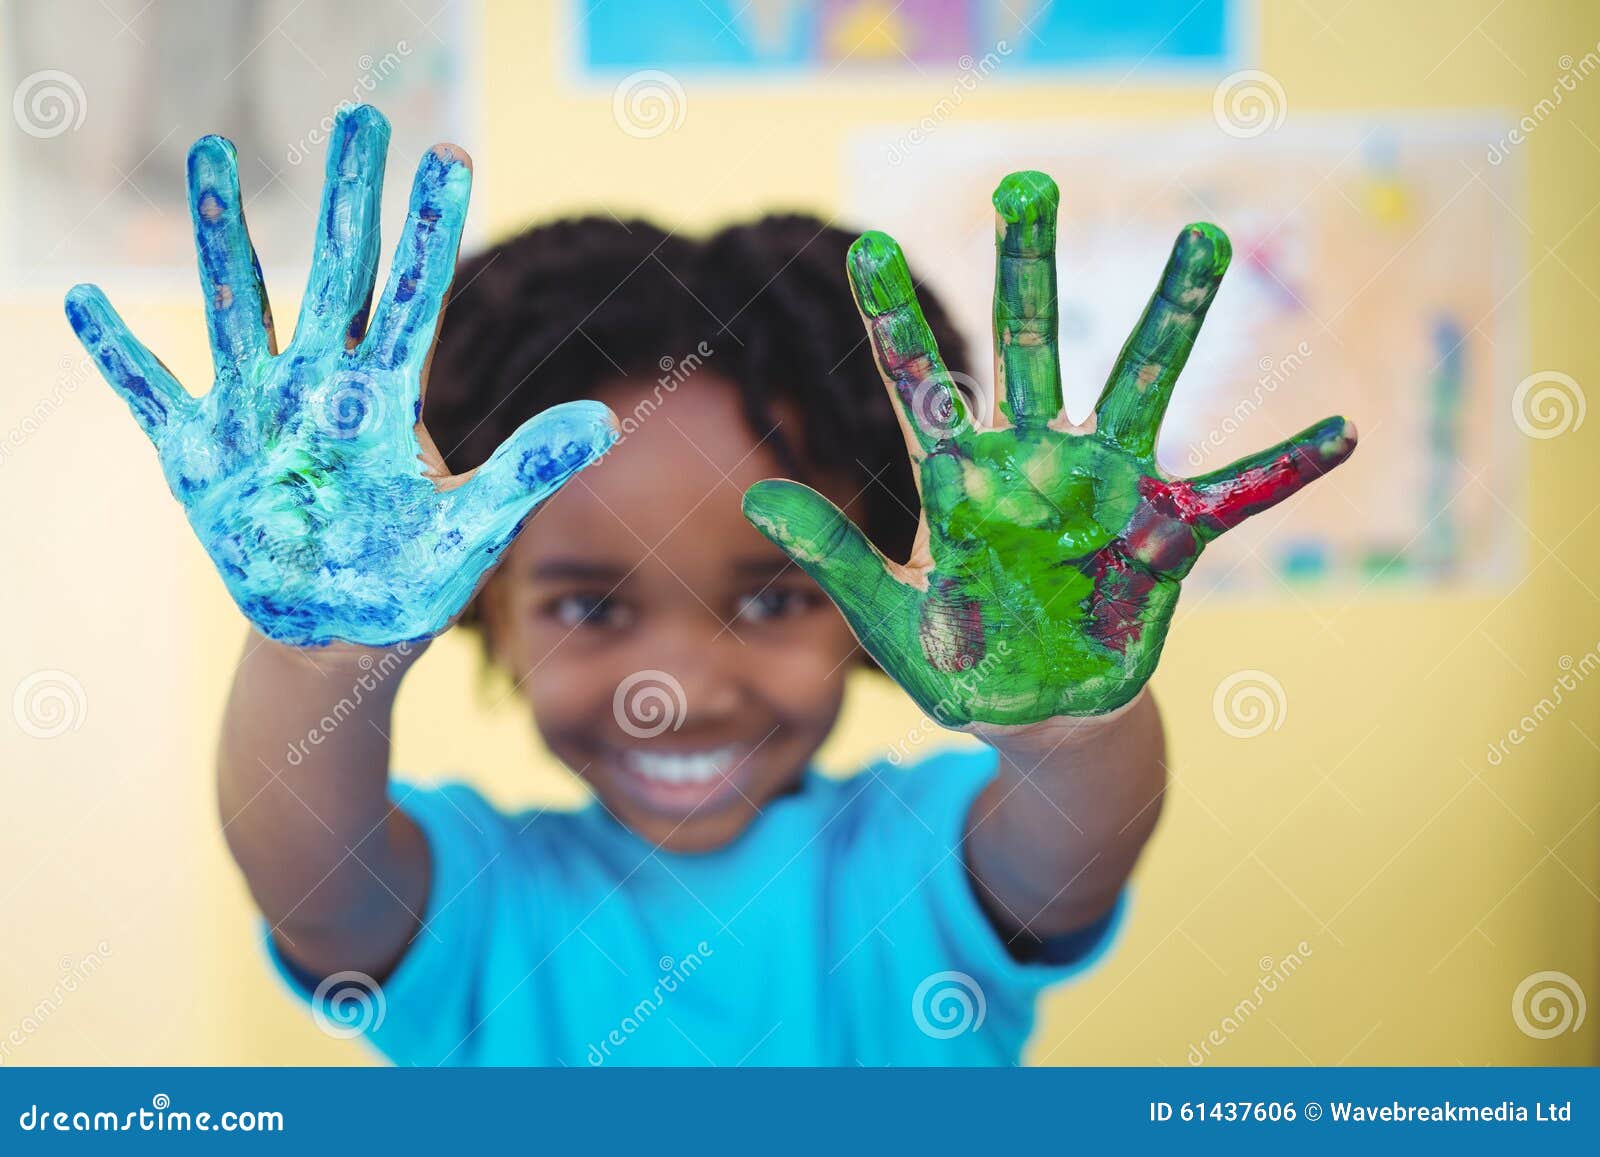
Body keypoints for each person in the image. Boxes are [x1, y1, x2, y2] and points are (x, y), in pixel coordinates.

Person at [65, 104, 1355, 1065]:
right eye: (589, 604)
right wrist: (321, 648)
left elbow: (1077, 841)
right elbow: (310, 879)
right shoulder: (484, 902)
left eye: (774, 597)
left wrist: (1070, 714)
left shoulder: (910, 872)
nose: (681, 688)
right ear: (480, 602)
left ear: (882, 598)